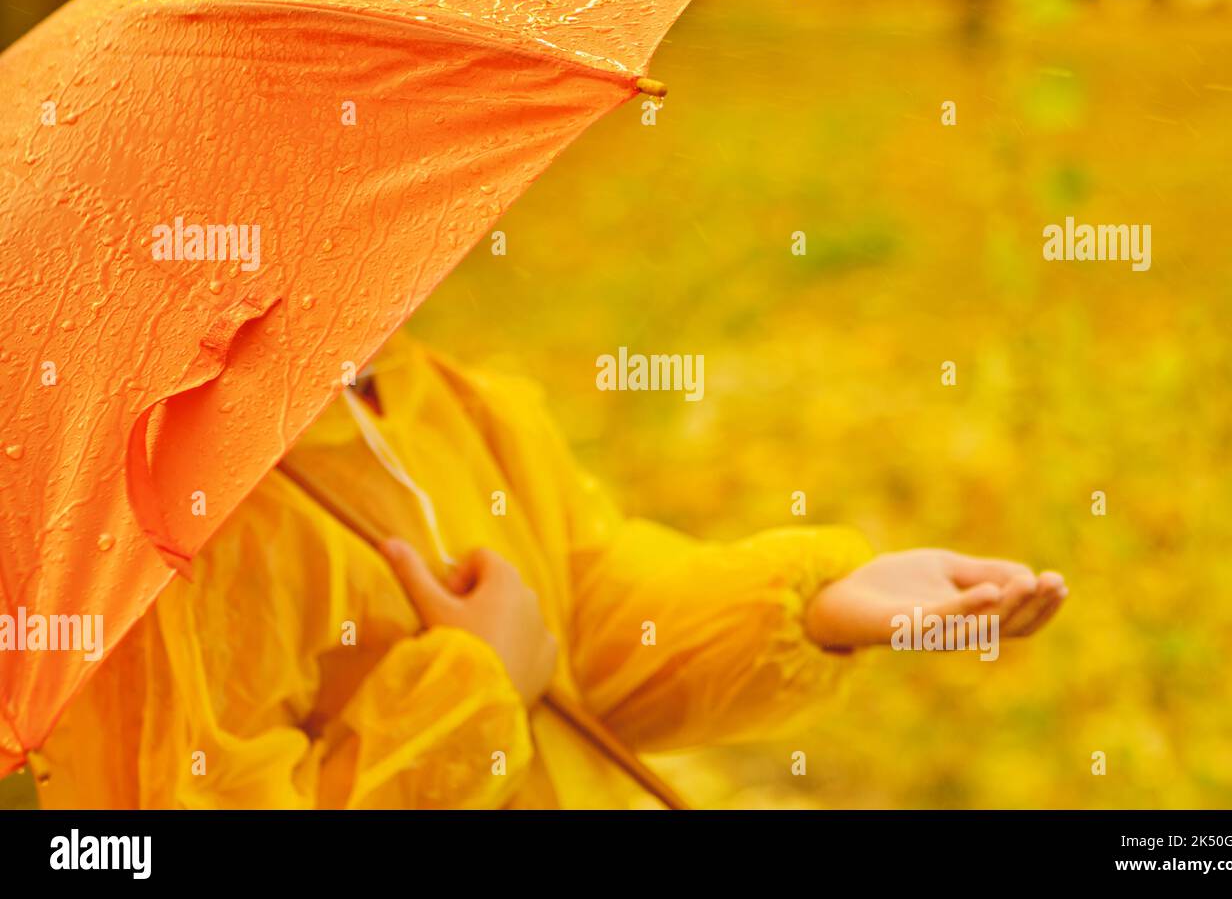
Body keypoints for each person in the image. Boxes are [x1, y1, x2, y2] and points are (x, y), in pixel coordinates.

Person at [34, 332, 1066, 808]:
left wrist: (824, 605)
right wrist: (472, 690)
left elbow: (596, 623)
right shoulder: (165, 531)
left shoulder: (448, 403)